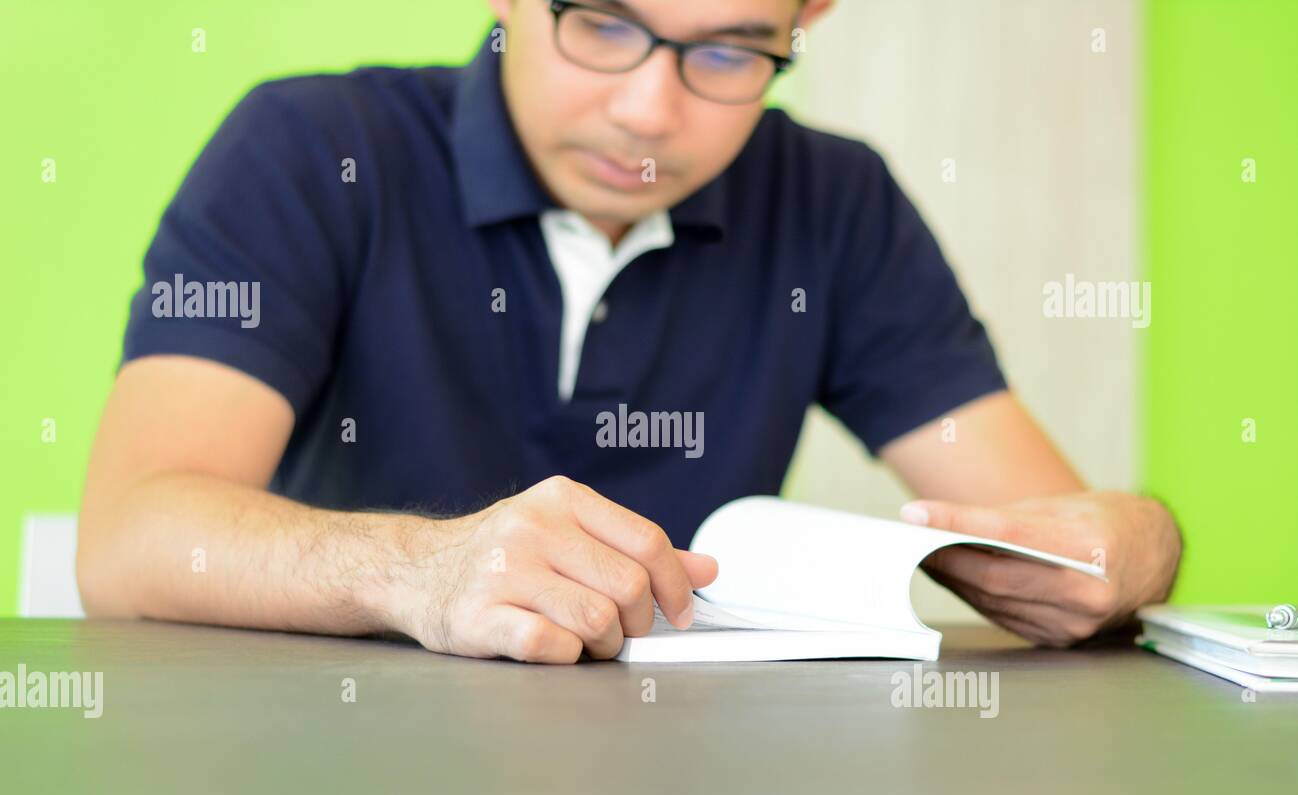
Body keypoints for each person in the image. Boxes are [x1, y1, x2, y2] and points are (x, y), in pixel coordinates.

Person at [77, 0, 1182, 662]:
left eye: (730, 51)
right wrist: (421, 568)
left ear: (808, 22)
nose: (651, 112)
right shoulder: (309, 146)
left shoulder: (832, 200)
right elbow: (130, 536)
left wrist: (1141, 544)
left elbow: (1049, 533)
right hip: (345, 788)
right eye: (602, 22)